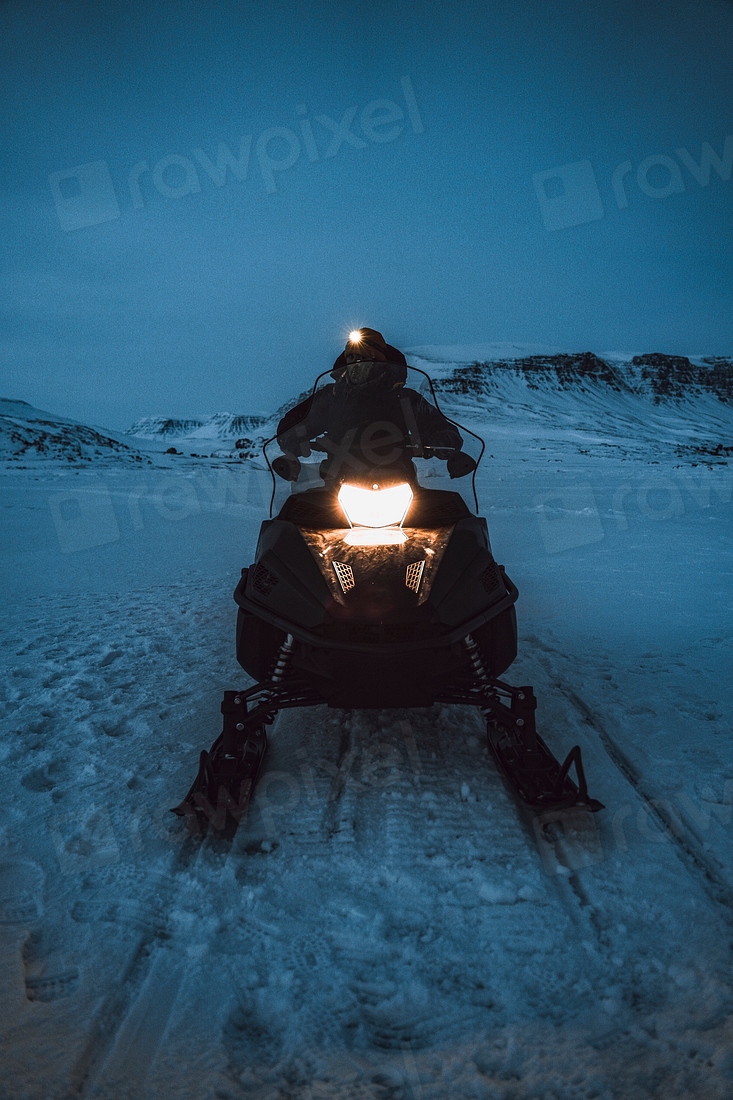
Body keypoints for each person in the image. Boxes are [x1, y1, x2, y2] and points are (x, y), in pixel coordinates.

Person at [274, 328, 472, 485]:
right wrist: (292, 437)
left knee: (450, 524)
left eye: (361, 358)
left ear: (378, 361)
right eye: (350, 358)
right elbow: (297, 421)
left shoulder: (405, 399)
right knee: (291, 525)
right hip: (337, 484)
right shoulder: (332, 397)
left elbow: (443, 428)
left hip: (399, 483)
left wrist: (442, 442)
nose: (354, 364)